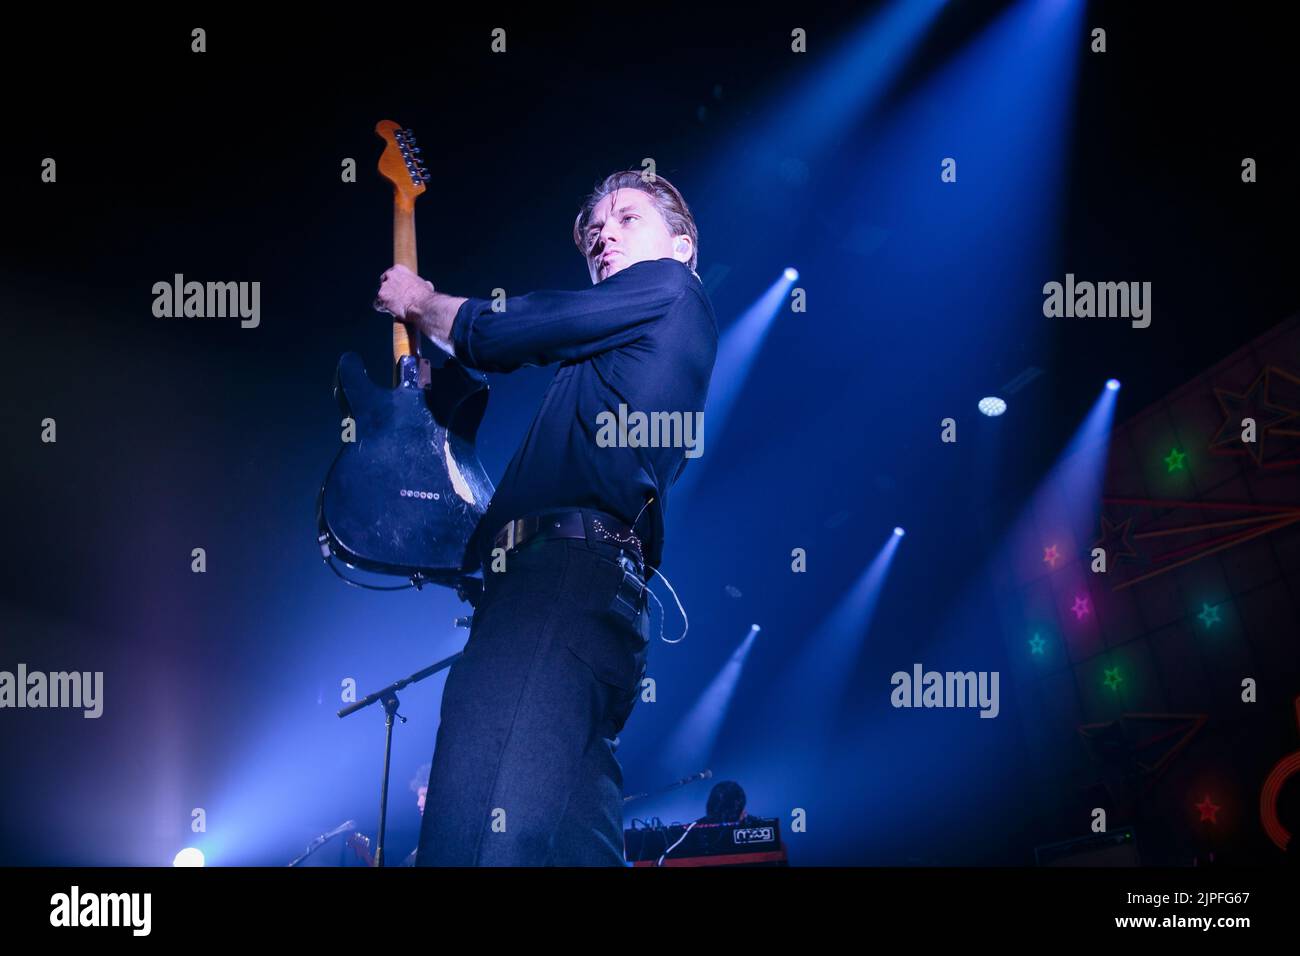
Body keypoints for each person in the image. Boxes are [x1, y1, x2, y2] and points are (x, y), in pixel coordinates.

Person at [373, 169, 717, 865]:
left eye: (627, 219)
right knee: (569, 846)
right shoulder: (614, 358)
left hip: (556, 586)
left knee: (476, 829)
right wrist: (441, 390)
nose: (603, 237)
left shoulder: (671, 288)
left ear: (682, 246)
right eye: (595, 233)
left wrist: (422, 301)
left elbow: (515, 329)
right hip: (588, 600)